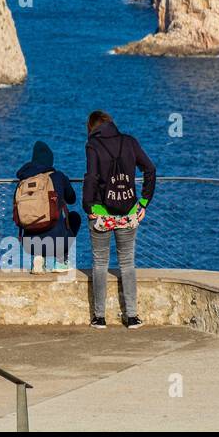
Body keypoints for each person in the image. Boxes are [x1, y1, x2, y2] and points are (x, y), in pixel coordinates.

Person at [81, 111, 156, 330]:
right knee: (127, 263)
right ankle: (132, 316)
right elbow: (150, 169)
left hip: (102, 213)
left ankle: (99, 317)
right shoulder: (129, 142)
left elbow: (91, 177)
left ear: (92, 127)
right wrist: (143, 202)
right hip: (128, 211)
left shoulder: (93, 145)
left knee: (100, 263)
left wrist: (88, 206)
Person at [14, 141, 80, 272]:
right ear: (50, 160)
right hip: (56, 242)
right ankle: (61, 262)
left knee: (38, 221)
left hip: (29, 244)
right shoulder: (58, 176)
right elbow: (72, 199)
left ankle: (38, 258)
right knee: (74, 218)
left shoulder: (23, 181)